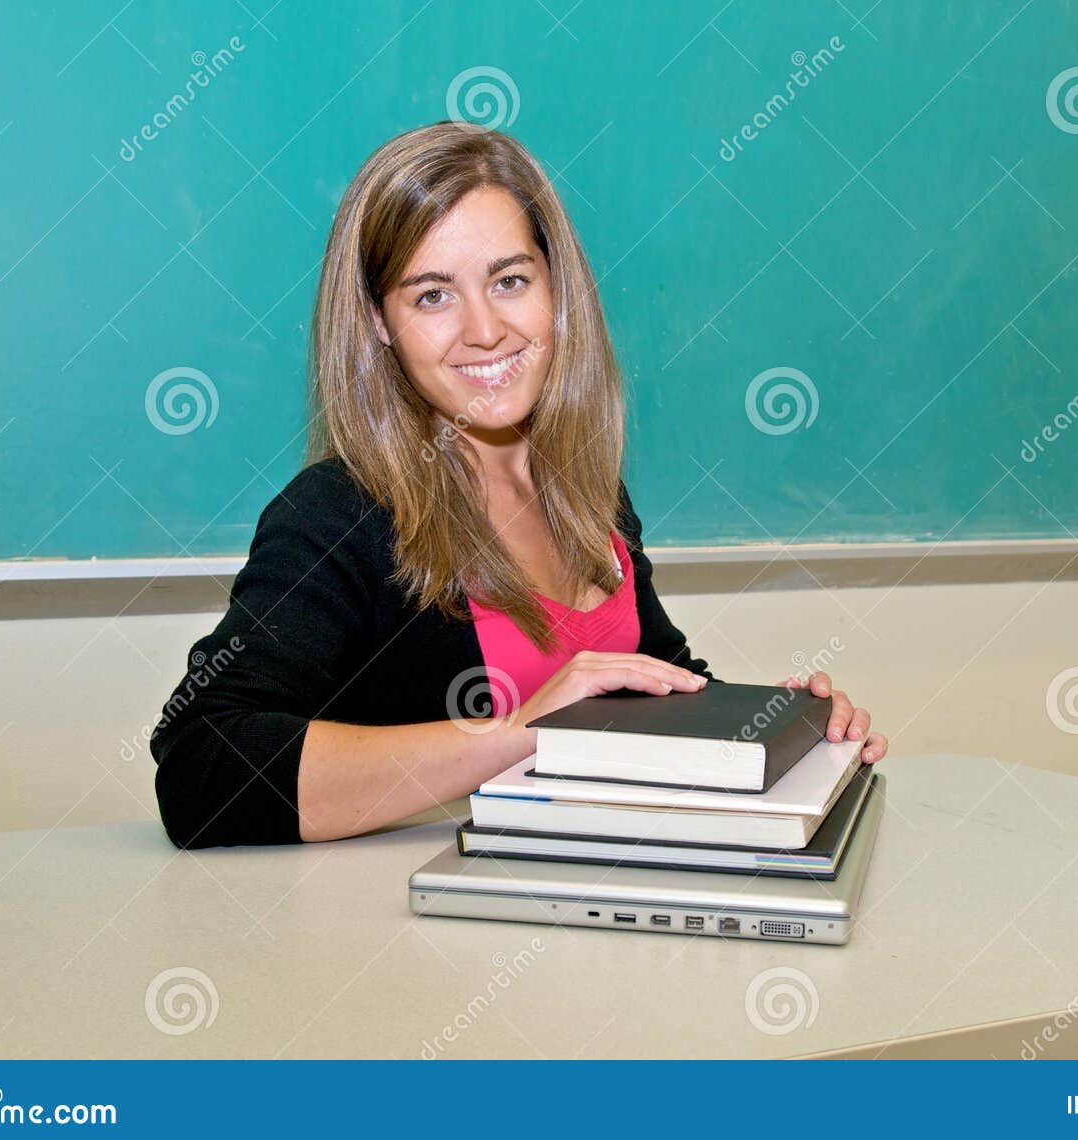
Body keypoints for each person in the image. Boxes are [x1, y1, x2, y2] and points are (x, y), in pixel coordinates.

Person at [150, 122, 887, 848]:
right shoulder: (339, 515)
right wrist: (515, 736)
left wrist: (779, 729)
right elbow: (201, 764)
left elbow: (654, 683)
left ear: (555, 289)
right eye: (432, 296)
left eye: (509, 281)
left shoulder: (587, 493)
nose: (485, 329)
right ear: (379, 322)